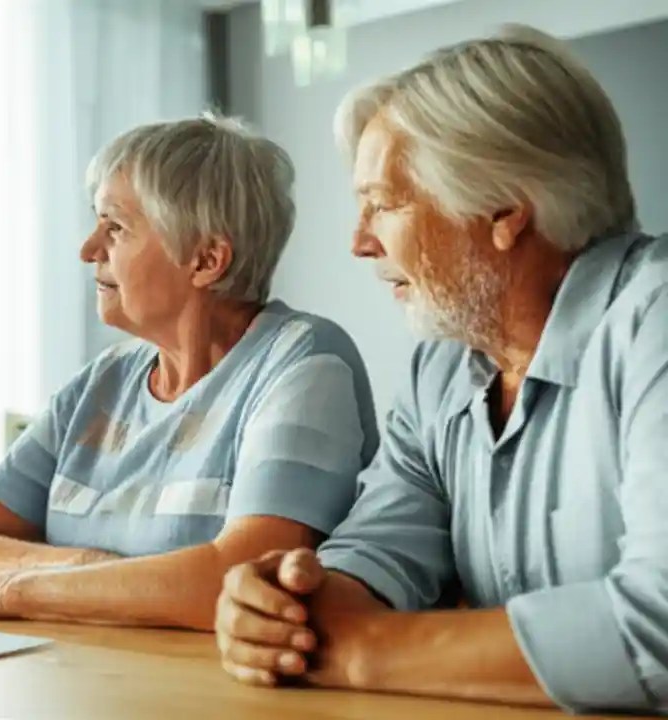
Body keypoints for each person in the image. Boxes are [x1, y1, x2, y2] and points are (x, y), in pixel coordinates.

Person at [214, 25, 668, 714]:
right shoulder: (442, 367)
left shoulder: (654, 318)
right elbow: (381, 544)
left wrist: (362, 650)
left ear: (503, 210)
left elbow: (656, 629)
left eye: (386, 204)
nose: (359, 242)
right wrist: (291, 607)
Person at [0, 115, 378, 630]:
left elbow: (245, 583)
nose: (88, 249)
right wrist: (89, 572)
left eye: (115, 227)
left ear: (206, 260)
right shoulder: (105, 380)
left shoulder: (303, 363)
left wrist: (8, 589)